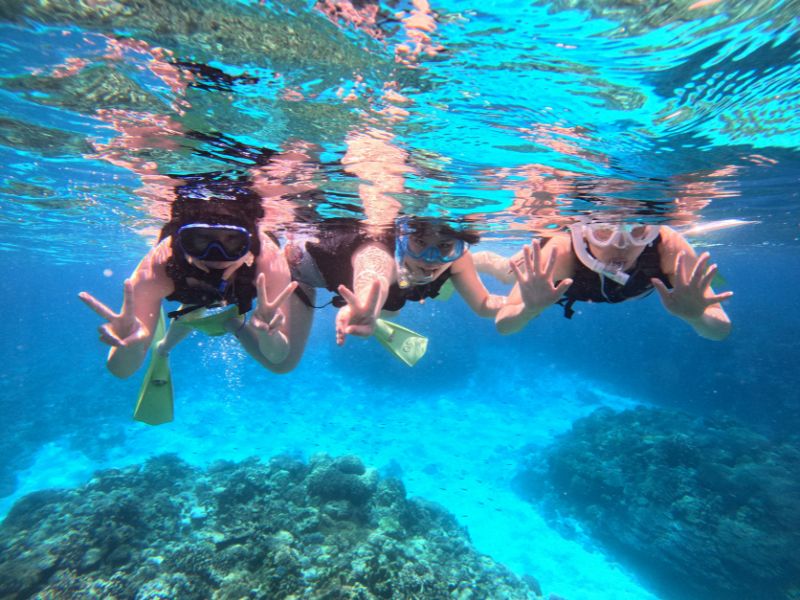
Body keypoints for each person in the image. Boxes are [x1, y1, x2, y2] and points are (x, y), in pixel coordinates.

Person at [79, 175, 313, 424]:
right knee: (197, 296)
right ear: (181, 240)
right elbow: (121, 371)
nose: (216, 255)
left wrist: (269, 334)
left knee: (283, 365)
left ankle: (232, 322)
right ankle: (165, 347)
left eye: (232, 241)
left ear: (250, 243)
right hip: (191, 288)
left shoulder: (269, 262)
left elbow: (278, 356)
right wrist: (130, 345)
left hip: (251, 286)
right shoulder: (159, 267)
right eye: (200, 240)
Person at [286, 217, 506, 364]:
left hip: (401, 287)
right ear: (402, 238)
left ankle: (484, 262)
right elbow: (373, 272)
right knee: (284, 362)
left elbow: (484, 305)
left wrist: (518, 303)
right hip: (304, 275)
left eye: (444, 246)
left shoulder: (456, 259)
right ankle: (377, 312)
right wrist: (365, 304)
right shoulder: (378, 250)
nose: (431, 258)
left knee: (393, 305)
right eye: (420, 242)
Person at [489, 221, 733, 340]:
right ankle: (482, 259)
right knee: (505, 273)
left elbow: (720, 330)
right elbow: (504, 325)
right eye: (604, 230)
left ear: (652, 232)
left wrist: (696, 317)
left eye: (637, 230)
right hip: (547, 275)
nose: (620, 244)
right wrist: (527, 309)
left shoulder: (669, 247)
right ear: (582, 231)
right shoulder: (560, 252)